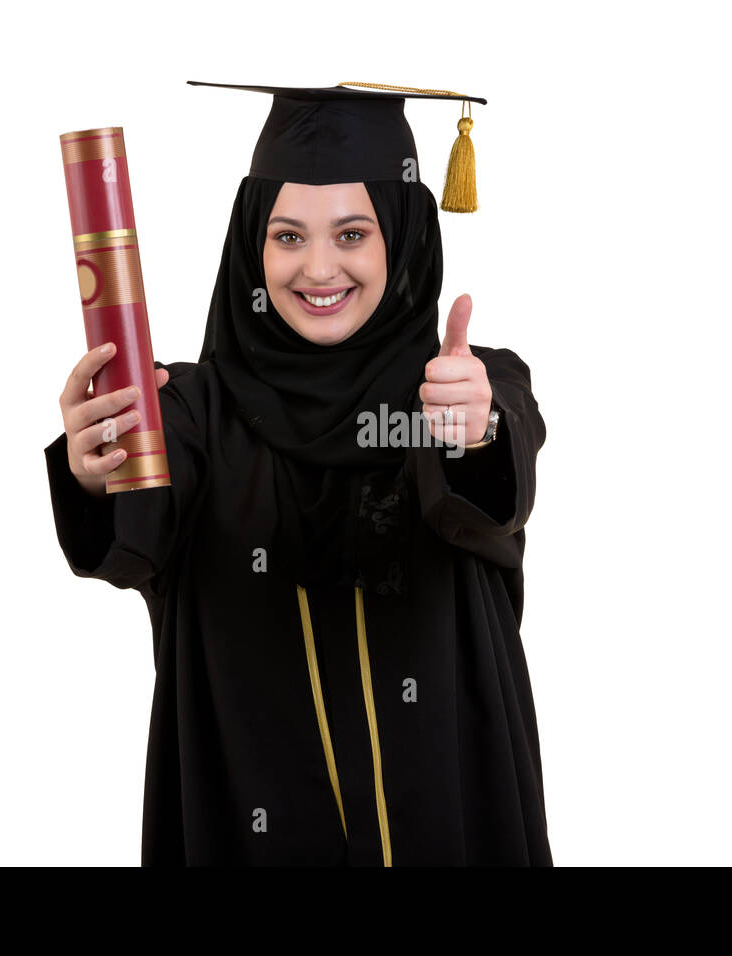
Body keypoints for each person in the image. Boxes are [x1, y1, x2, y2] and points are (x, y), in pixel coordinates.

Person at [44, 82, 551, 865]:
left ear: (403, 238)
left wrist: (475, 426)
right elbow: (135, 524)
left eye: (353, 234)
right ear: (252, 244)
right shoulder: (190, 412)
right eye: (287, 237)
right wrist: (96, 465)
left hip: (444, 819)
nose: (318, 268)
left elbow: (490, 478)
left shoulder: (461, 384)